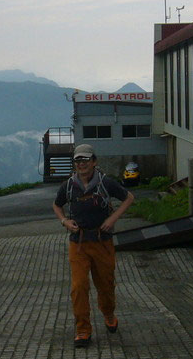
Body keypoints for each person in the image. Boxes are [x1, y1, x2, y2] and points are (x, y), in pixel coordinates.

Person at [52, 144, 134, 348]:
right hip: (78, 243)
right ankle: (83, 330)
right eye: (78, 161)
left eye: (86, 160)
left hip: (102, 241)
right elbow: (56, 205)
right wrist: (64, 221)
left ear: (94, 161)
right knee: (79, 287)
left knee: (105, 286)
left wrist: (113, 218)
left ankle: (108, 313)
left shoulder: (105, 182)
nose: (82, 164)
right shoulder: (69, 185)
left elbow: (128, 197)